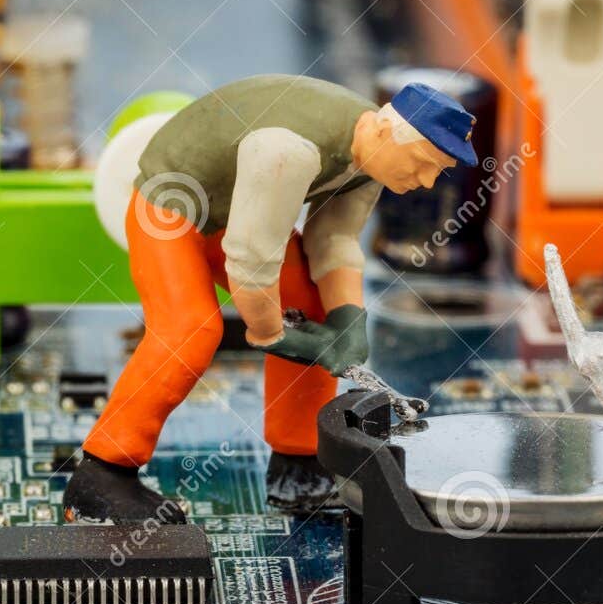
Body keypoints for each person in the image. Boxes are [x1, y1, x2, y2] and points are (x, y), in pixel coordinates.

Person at [65, 74, 476, 524]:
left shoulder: (374, 157)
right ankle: (101, 476)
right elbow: (250, 256)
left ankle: (298, 467)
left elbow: (334, 238)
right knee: (189, 328)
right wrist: (272, 333)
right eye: (422, 163)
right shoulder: (289, 149)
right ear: (383, 130)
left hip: (231, 211)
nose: (425, 181)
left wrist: (347, 318)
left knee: (311, 299)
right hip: (170, 206)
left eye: (437, 170)